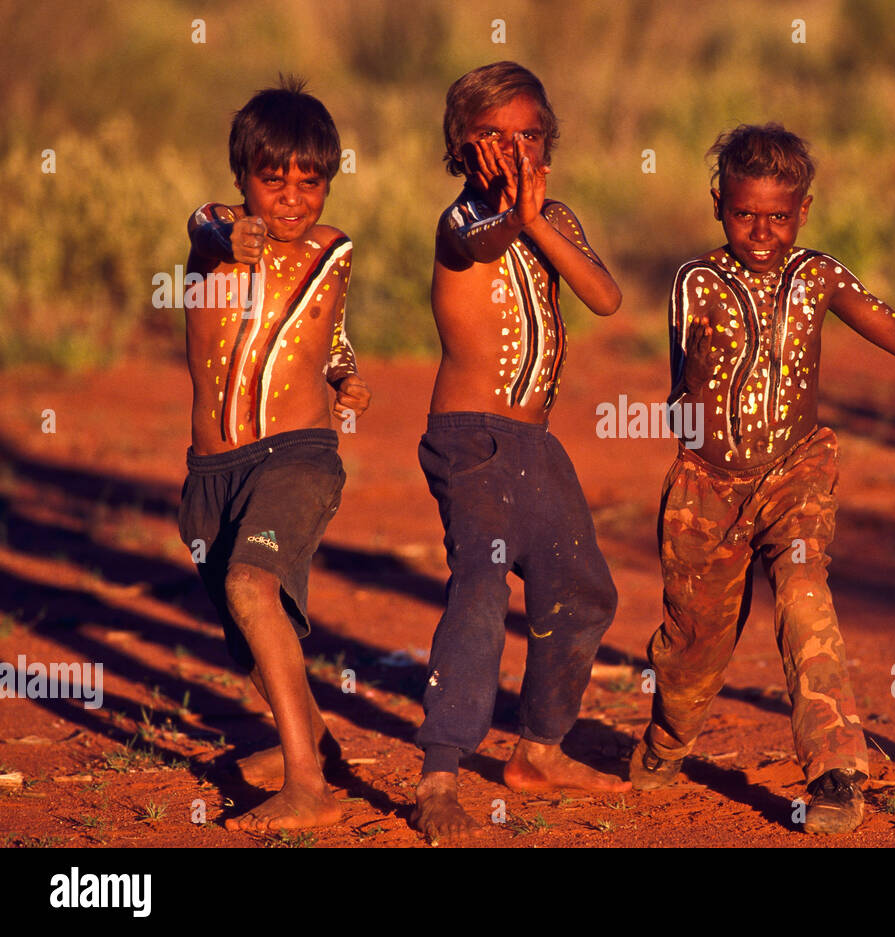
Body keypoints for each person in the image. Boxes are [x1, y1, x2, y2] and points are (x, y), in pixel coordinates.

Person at [630, 123, 895, 833]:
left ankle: (837, 771)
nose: (762, 231)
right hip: (708, 487)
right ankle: (666, 741)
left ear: (804, 209)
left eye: (779, 216)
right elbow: (680, 399)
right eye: (745, 213)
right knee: (693, 647)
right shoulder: (697, 282)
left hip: (796, 469)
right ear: (719, 203)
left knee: (805, 594)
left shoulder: (820, 277)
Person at [412, 62, 628, 841]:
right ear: (464, 148)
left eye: (529, 135)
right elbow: (488, 238)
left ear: (549, 142)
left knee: (585, 588)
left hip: (536, 443)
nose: (513, 150)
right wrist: (518, 213)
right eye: (494, 138)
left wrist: (541, 219)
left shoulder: (555, 220)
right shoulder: (461, 219)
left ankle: (538, 749)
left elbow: (605, 297)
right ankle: (439, 777)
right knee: (482, 577)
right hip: (470, 439)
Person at [179, 76, 371, 830]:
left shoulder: (334, 249)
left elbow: (327, 332)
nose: (291, 197)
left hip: (297, 453)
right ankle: (313, 738)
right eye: (272, 178)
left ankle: (307, 786)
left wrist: (346, 373)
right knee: (246, 634)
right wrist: (226, 234)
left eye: (310, 181)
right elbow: (201, 223)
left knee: (254, 586)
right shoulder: (212, 240)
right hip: (211, 475)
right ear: (242, 178)